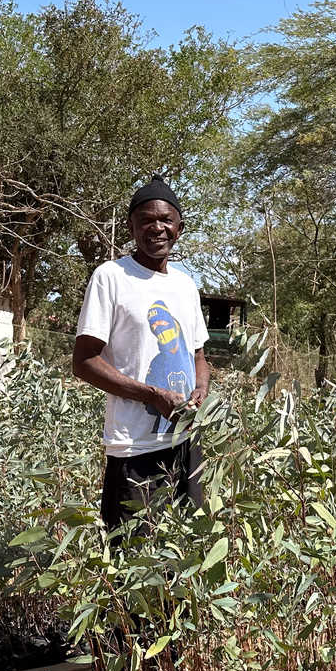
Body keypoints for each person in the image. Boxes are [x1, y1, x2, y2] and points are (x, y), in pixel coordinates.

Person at [72, 175, 210, 532]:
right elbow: (84, 361)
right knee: (132, 561)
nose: (157, 228)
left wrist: (201, 391)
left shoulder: (185, 285)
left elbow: (199, 357)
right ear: (131, 225)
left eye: (166, 220)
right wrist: (150, 394)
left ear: (180, 228)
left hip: (184, 443)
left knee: (187, 556)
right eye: (147, 220)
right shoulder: (111, 277)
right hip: (134, 447)